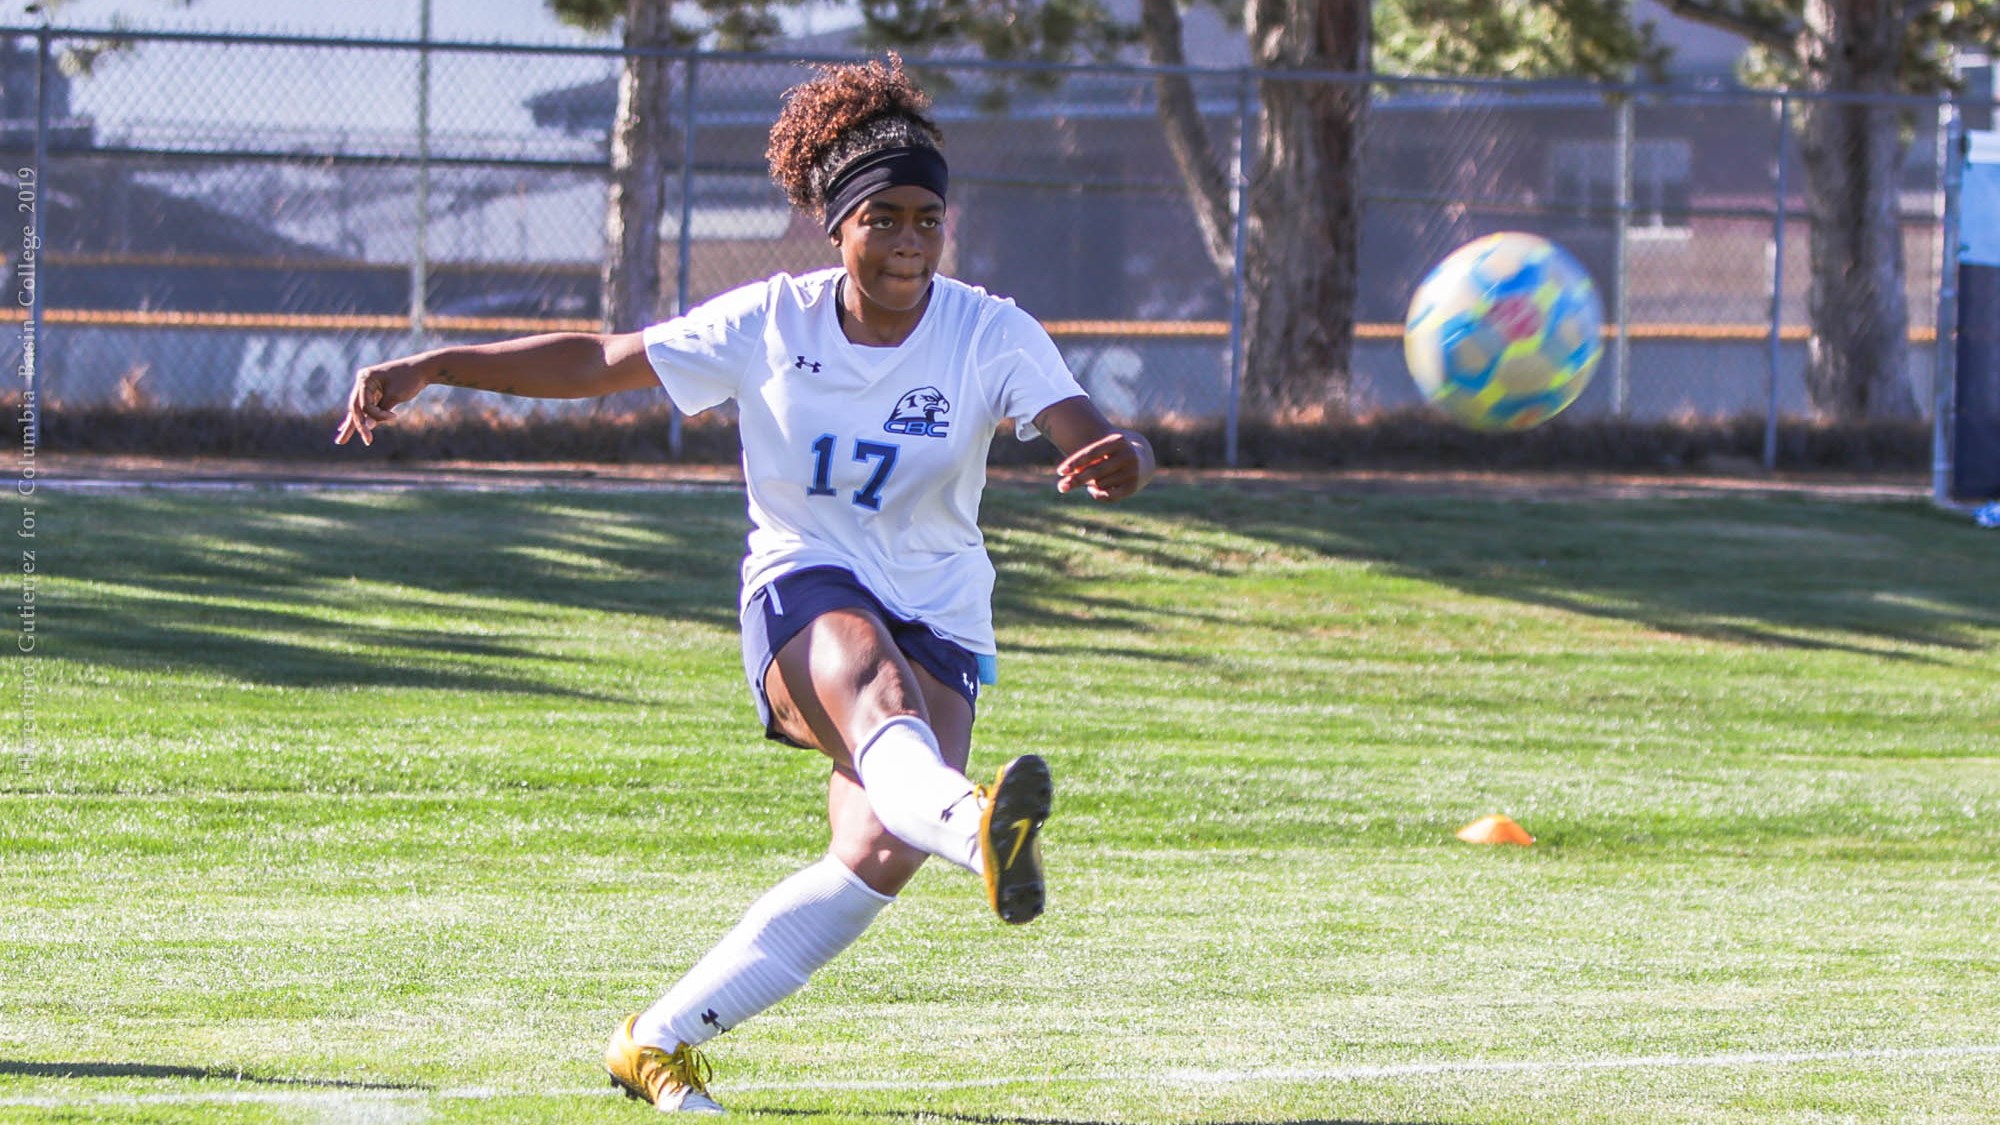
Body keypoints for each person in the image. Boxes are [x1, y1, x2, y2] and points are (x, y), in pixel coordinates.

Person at [336, 54, 1154, 1114]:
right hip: (803, 584)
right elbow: (600, 358)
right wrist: (440, 363)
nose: (908, 241)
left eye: (926, 220)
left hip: (943, 605)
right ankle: (978, 828)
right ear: (837, 226)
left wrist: (1121, 456)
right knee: (870, 684)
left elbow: (1089, 430)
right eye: (883, 219)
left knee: (870, 853)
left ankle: (656, 1040)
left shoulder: (989, 328)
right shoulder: (768, 322)